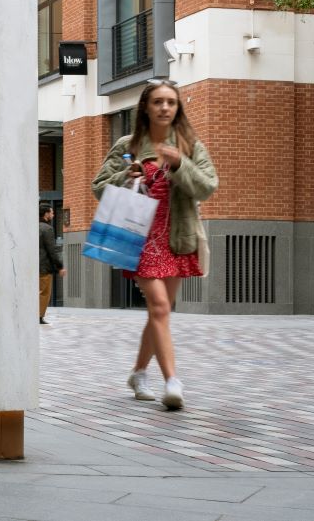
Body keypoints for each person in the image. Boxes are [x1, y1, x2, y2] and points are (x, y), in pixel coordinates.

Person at [92, 79, 217, 411]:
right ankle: (172, 382)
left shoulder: (189, 145)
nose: (165, 107)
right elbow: (98, 187)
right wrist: (125, 177)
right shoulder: (127, 144)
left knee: (158, 313)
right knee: (160, 308)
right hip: (140, 238)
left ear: (178, 108)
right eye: (158, 102)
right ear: (145, 107)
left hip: (177, 237)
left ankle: (138, 373)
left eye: (171, 102)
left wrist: (179, 165)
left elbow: (206, 187)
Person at [38, 204, 64, 325]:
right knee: (44, 292)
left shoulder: (32, 226)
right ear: (46, 214)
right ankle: (39, 316)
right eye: (52, 213)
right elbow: (51, 250)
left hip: (32, 266)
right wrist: (60, 266)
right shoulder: (47, 229)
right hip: (43, 267)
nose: (53, 215)